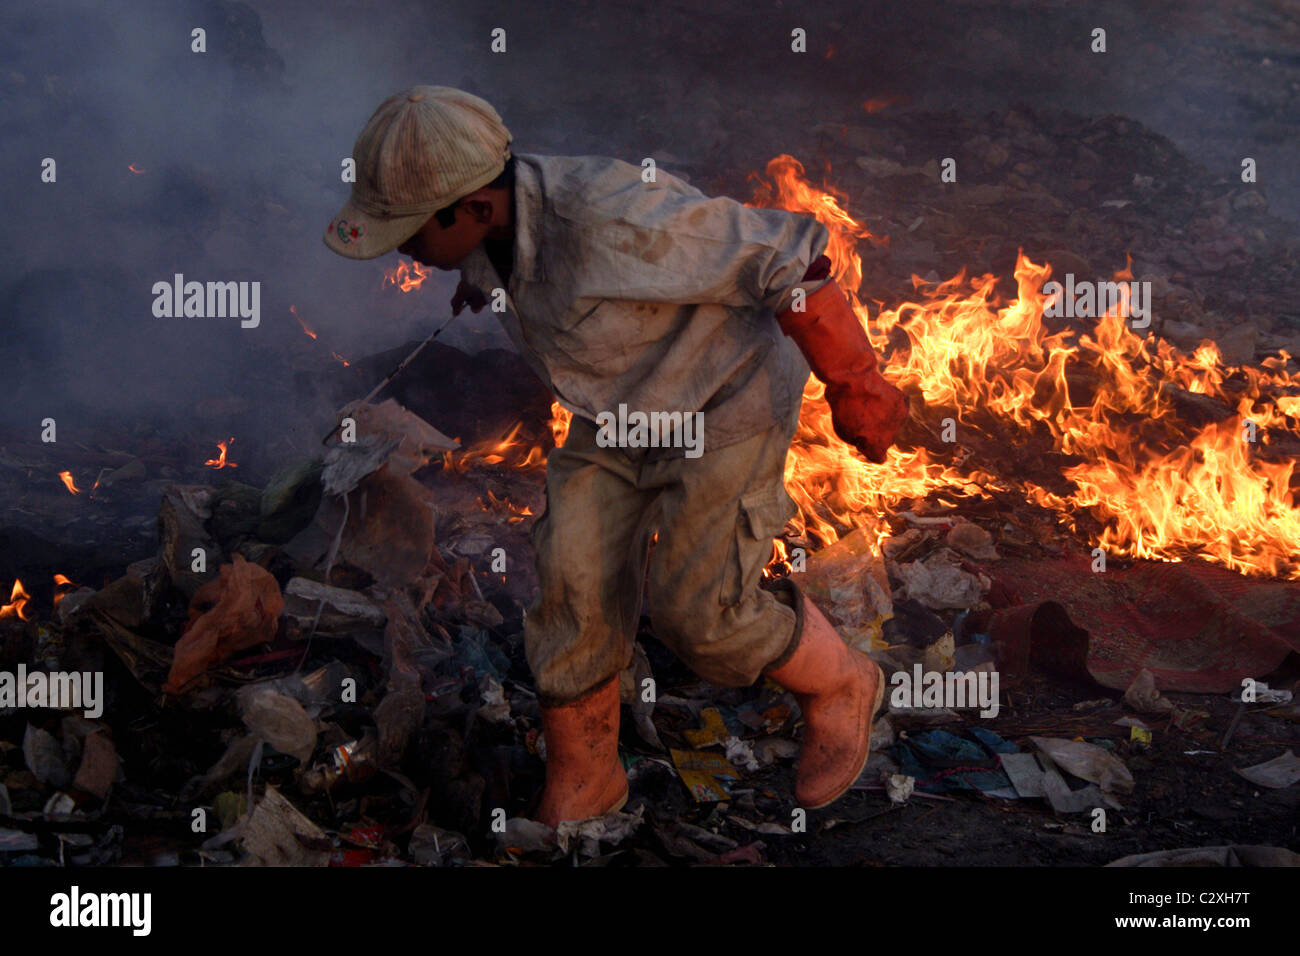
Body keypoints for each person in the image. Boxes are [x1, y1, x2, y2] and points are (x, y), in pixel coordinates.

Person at [324, 86, 909, 826]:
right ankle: (588, 776)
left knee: (701, 619)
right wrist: (484, 284)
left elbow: (790, 255)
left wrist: (857, 381)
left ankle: (840, 684)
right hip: (617, 411)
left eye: (408, 232)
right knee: (571, 583)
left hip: (723, 402)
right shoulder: (493, 222)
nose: (403, 249)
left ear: (471, 210)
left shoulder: (613, 219)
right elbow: (511, 263)